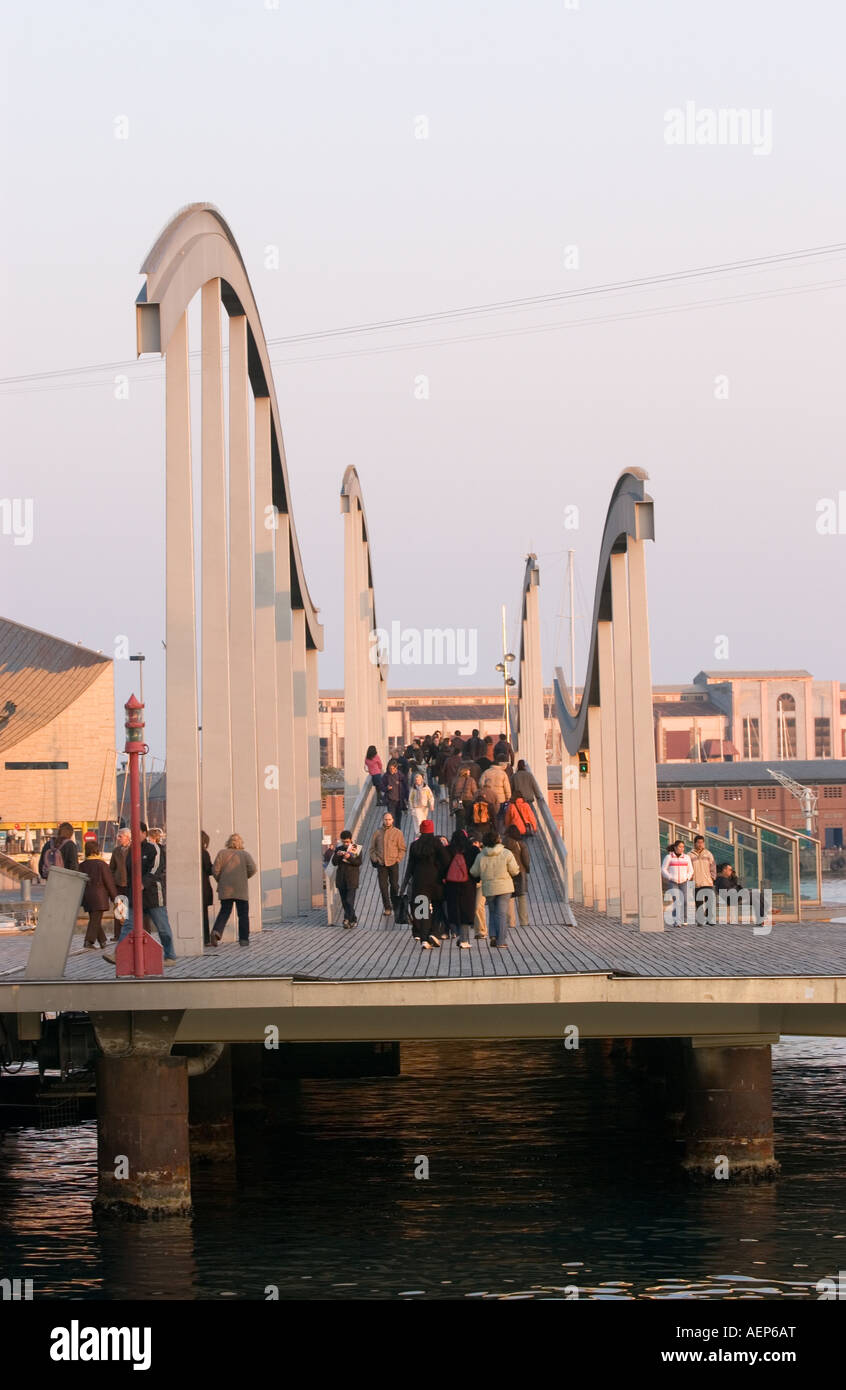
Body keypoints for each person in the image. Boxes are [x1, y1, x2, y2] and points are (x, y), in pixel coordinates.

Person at [102, 828, 177, 964]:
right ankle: (118, 954)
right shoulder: (129, 851)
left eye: (137, 833)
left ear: (144, 833)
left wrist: (143, 883)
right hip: (134, 895)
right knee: (127, 925)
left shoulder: (153, 848)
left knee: (162, 927)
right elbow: (127, 872)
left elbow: (156, 868)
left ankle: (170, 955)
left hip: (153, 894)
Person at [402, 818, 450, 948]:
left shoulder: (414, 845)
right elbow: (446, 861)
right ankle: (434, 932)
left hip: (419, 882)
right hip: (436, 881)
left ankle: (424, 939)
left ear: (421, 831)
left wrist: (404, 884)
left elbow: (410, 866)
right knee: (438, 906)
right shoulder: (436, 843)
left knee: (422, 911)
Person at [470, 829, 520, 948]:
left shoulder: (481, 855)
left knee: (492, 912)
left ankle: (493, 935)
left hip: (489, 887)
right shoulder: (506, 853)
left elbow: (474, 872)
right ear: (498, 840)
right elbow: (514, 870)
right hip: (504, 888)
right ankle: (501, 940)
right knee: (501, 913)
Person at [209, 833, 257, 946]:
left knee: (225, 911)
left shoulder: (222, 853)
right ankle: (244, 939)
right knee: (243, 914)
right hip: (241, 888)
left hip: (226, 889)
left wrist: (221, 880)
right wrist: (245, 876)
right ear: (240, 843)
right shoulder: (245, 855)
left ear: (228, 842)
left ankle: (216, 931)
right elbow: (253, 869)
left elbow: (215, 870)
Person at [79, 840, 117, 949]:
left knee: (94, 918)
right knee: (95, 919)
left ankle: (102, 940)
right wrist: (114, 897)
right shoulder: (102, 864)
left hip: (87, 896)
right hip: (99, 896)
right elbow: (109, 882)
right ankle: (89, 941)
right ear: (97, 850)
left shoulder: (82, 865)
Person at [443, 829, 477, 946]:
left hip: (451, 884)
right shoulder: (473, 850)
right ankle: (464, 939)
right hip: (468, 885)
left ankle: (456, 932)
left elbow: (443, 866)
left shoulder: (447, 850)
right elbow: (476, 867)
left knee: (453, 910)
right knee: (465, 912)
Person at [369, 811, 407, 916]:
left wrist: (398, 859)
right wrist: (375, 859)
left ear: (392, 820)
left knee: (394, 886)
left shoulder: (398, 833)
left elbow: (402, 848)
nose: (387, 821)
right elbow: (372, 849)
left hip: (393, 863)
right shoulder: (377, 832)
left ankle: (395, 905)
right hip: (381, 863)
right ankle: (387, 907)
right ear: (383, 820)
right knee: (383, 886)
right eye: (385, 819)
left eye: (389, 819)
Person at [332, 829, 363, 928]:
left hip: (352, 879)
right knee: (344, 901)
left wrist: (349, 857)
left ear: (351, 840)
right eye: (343, 842)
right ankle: (351, 919)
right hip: (341, 879)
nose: (345, 844)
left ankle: (348, 919)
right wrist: (338, 855)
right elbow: (334, 863)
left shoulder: (356, 848)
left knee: (350, 900)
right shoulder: (339, 849)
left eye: (347, 842)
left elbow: (358, 863)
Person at [661, 838, 694, 927]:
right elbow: (663, 869)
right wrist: (669, 877)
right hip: (673, 882)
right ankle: (676, 920)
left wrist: (687, 877)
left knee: (685, 901)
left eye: (683, 847)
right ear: (675, 847)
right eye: (680, 847)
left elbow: (690, 870)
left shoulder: (686, 857)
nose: (681, 848)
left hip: (684, 882)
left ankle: (685, 919)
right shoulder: (669, 857)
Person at [503, 826, 530, 928]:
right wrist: (527, 868)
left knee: (510, 897)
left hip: (507, 872)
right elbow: (526, 859)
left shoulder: (503, 843)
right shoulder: (521, 844)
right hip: (520, 871)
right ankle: (524, 921)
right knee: (522, 897)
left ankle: (511, 922)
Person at [108, 828, 132, 939]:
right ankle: (118, 934)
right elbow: (112, 868)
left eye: (120, 836)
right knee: (119, 909)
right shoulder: (116, 851)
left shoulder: (134, 849)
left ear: (127, 837)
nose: (118, 839)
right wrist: (113, 879)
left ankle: (130, 933)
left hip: (130, 884)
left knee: (130, 909)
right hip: (119, 884)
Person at [690, 834, 717, 921]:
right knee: (698, 902)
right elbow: (688, 868)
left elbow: (713, 866)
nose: (700, 844)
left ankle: (710, 918)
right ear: (694, 843)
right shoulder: (689, 855)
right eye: (698, 842)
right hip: (696, 882)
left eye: (702, 842)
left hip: (707, 881)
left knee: (709, 900)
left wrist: (712, 877)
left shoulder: (708, 854)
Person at [479, 758, 512, 827]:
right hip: (501, 799)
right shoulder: (503, 773)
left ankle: (491, 831)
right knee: (500, 817)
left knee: (489, 816)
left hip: (489, 798)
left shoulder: (486, 772)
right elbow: (506, 787)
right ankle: (499, 832)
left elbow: (481, 784)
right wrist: (508, 797)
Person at [452, 765, 478, 831]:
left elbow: (452, 793)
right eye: (468, 770)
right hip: (468, 800)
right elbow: (475, 792)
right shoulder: (471, 780)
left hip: (457, 800)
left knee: (459, 820)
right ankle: (468, 833)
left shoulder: (455, 780)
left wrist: (451, 807)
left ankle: (460, 833)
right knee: (468, 818)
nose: (470, 772)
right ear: (465, 772)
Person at [200, 830, 214, 945]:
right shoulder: (203, 853)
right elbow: (209, 869)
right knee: (203, 915)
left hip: (191, 890)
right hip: (203, 888)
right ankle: (205, 939)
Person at [382, 759, 404, 828]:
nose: (391, 770)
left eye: (393, 768)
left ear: (396, 767)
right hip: (390, 800)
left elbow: (405, 784)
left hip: (399, 800)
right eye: (390, 768)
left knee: (399, 818)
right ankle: (392, 832)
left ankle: (398, 833)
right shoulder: (386, 776)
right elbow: (381, 787)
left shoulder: (399, 774)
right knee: (392, 818)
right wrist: (386, 788)